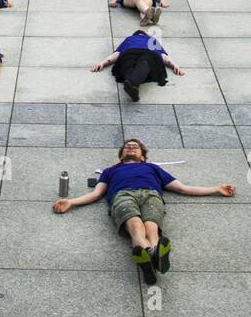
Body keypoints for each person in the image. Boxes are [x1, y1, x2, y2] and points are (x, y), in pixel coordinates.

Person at [52, 137, 235, 285]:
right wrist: (71, 202)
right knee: (135, 225)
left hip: (151, 194)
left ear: (142, 157)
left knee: (151, 227)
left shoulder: (152, 168)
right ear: (121, 156)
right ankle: (151, 253)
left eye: (135, 147)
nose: (131, 147)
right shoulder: (110, 171)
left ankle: (152, 254)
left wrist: (215, 189)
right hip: (122, 196)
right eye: (127, 147)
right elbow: (96, 193)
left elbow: (182, 188)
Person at [91, 31, 187, 103]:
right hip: (133, 53)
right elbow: (164, 57)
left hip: (145, 54)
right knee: (138, 63)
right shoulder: (132, 39)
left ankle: (131, 83)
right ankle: (132, 84)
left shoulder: (143, 39)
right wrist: (102, 63)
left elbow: (116, 54)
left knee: (138, 63)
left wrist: (175, 65)